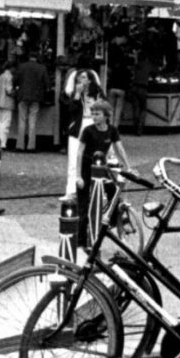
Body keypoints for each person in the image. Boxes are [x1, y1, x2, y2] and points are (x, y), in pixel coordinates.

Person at [65, 100, 130, 248]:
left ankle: (110, 221)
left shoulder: (112, 130)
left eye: (97, 114)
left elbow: (120, 149)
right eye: (92, 114)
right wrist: (78, 176)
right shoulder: (88, 131)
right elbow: (79, 153)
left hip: (101, 168)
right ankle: (81, 242)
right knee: (83, 206)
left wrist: (128, 166)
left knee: (114, 193)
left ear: (106, 116)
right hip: (86, 168)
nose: (94, 117)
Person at [14, 48, 49, 152]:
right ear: (37, 58)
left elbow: (15, 80)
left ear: (28, 57)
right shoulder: (42, 68)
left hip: (23, 96)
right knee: (32, 122)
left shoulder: (22, 66)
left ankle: (20, 146)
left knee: (21, 121)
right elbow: (47, 83)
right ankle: (31, 146)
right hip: (36, 97)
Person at [0, 61, 17, 149]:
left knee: (0, 123)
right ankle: (2, 143)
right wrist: (16, 92)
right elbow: (9, 91)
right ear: (12, 68)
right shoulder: (9, 77)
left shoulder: (1, 76)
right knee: (6, 123)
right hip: (6, 103)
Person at [129, 49, 154, 135]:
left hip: (134, 87)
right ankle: (140, 127)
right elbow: (155, 71)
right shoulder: (148, 65)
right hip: (143, 88)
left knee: (136, 108)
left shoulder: (136, 65)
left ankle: (135, 126)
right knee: (143, 108)